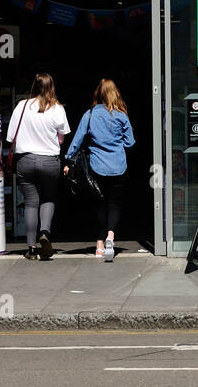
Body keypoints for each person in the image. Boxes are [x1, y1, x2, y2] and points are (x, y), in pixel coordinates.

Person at [65, 78, 135, 262]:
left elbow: (77, 140)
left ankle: (99, 245)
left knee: (98, 205)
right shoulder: (122, 116)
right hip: (119, 166)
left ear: (98, 94)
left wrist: (67, 161)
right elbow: (130, 142)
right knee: (115, 204)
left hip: (96, 167)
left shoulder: (89, 115)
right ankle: (111, 236)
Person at [7, 72, 70, 261]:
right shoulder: (58, 108)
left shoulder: (21, 106)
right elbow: (61, 139)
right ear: (52, 87)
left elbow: (11, 137)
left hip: (25, 160)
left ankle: (32, 248)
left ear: (34, 87)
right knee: (48, 198)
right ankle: (45, 232)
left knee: (31, 203)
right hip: (49, 161)